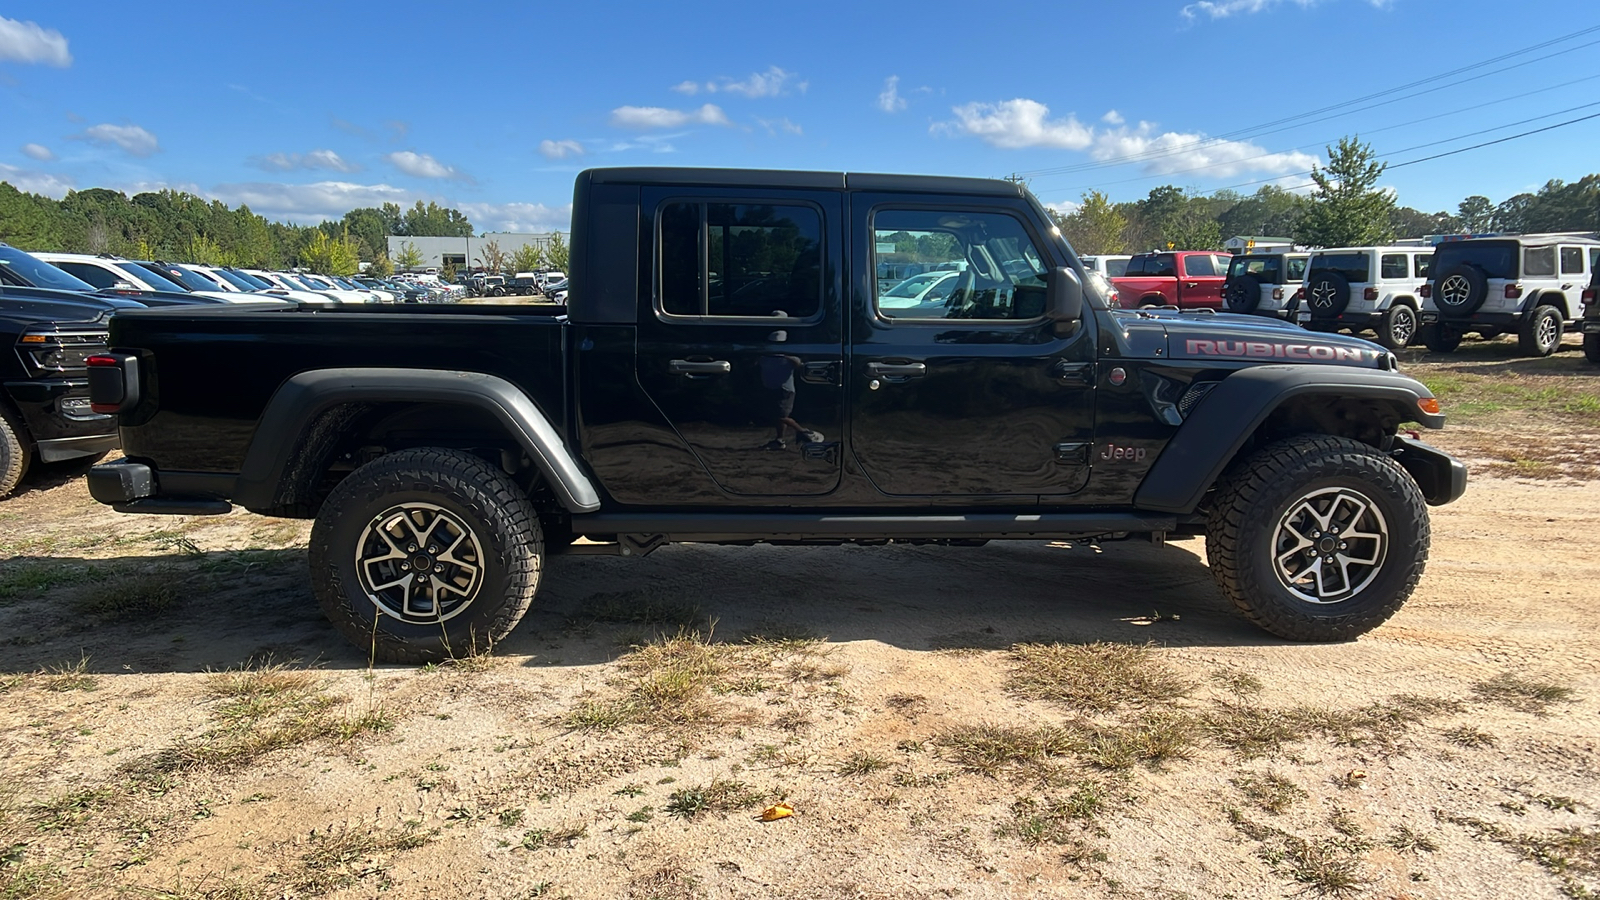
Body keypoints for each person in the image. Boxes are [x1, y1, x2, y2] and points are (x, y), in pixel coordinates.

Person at [759, 312, 823, 450]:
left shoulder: (787, 352)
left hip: (784, 389)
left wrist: (785, 355)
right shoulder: (767, 350)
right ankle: (780, 440)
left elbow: (798, 363)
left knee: (780, 415)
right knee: (779, 416)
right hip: (773, 387)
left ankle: (803, 432)